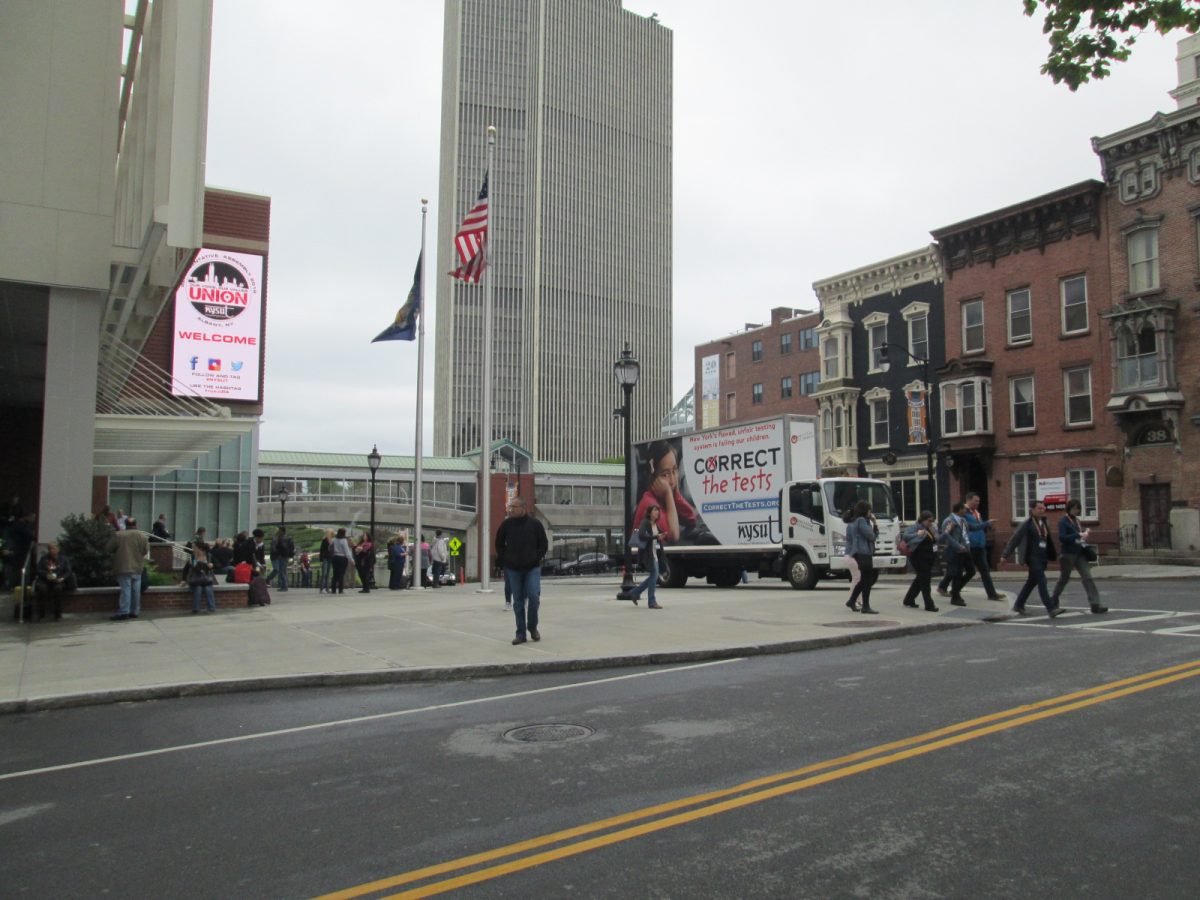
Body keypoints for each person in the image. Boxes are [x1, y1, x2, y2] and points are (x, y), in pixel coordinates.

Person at [495, 496, 548, 645]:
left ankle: (532, 627)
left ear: (523, 508)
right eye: (510, 507)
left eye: (514, 507)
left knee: (533, 597)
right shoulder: (506, 525)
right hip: (513, 569)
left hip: (532, 568)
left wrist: (536, 557)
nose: (511, 509)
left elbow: (543, 544)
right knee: (518, 602)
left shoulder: (535, 524)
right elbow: (499, 544)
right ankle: (520, 633)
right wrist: (506, 558)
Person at [1001, 501, 1062, 618]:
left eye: (1043, 508)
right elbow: (1015, 539)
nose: (1041, 510)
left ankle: (1018, 604)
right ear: (1032, 510)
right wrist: (1005, 555)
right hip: (1032, 557)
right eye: (1039, 508)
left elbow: (1047, 540)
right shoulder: (1027, 524)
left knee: (1032, 582)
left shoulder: (1044, 522)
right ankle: (1051, 608)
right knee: (1042, 581)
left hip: (1042, 556)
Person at [631, 441, 699, 543]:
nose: (672, 479)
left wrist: (674, 492)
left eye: (674, 470)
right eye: (665, 474)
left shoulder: (663, 499)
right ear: (653, 478)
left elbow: (691, 518)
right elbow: (673, 536)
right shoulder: (649, 504)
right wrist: (668, 494)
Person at [1051, 499, 1108, 614]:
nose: (1076, 511)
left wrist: (1084, 535)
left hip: (1079, 552)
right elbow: (1062, 537)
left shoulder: (1077, 521)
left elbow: (1078, 536)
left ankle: (1095, 603)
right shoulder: (1063, 521)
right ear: (1069, 508)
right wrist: (1077, 534)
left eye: (1078, 509)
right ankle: (1053, 601)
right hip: (1068, 553)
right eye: (1074, 508)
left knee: (1088, 577)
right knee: (1064, 579)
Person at [963, 493, 1003, 602]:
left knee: (985, 570)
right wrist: (986, 523)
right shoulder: (964, 513)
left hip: (980, 545)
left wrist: (987, 525)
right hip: (970, 545)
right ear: (968, 500)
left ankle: (992, 594)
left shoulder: (976, 513)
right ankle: (945, 587)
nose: (978, 503)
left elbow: (979, 526)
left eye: (978, 501)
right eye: (975, 501)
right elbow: (972, 528)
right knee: (965, 570)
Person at [107, 517, 149, 620]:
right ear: (136, 524)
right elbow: (145, 551)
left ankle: (124, 611)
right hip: (137, 567)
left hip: (123, 566)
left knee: (126, 589)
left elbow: (109, 548)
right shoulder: (143, 536)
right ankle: (135, 611)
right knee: (136, 590)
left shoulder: (119, 535)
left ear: (125, 525)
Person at [843, 501, 879, 614]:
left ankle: (852, 600)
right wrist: (875, 523)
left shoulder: (852, 522)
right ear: (865, 511)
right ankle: (866, 606)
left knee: (864, 579)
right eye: (869, 510)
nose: (871, 513)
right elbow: (871, 536)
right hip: (864, 552)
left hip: (857, 552)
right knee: (867, 580)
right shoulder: (862, 521)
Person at [900, 511, 940, 612]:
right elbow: (905, 536)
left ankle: (908, 599)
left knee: (920, 579)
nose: (931, 523)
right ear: (923, 519)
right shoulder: (915, 527)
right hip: (918, 557)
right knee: (925, 581)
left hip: (929, 557)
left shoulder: (930, 528)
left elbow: (937, 539)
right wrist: (917, 534)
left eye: (932, 521)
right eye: (929, 521)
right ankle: (929, 604)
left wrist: (939, 532)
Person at [939, 502, 975, 607]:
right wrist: (958, 546)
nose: (966, 511)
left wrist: (986, 524)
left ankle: (954, 591)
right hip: (955, 551)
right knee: (956, 574)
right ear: (959, 510)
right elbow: (946, 536)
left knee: (971, 571)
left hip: (965, 550)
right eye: (964, 509)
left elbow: (969, 530)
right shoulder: (949, 520)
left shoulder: (963, 520)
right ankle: (955, 596)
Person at [629, 503, 664, 609]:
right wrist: (655, 537)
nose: (657, 512)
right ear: (649, 512)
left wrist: (660, 537)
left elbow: (656, 538)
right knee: (654, 576)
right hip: (648, 555)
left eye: (658, 510)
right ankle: (652, 601)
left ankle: (635, 592)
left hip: (655, 554)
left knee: (654, 577)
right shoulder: (645, 522)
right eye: (654, 510)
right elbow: (642, 535)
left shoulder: (656, 525)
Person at [35, 542, 73, 621]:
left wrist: (62, 578)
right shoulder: (44, 558)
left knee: (58, 589)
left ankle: (57, 614)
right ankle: (41, 614)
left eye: (53, 548)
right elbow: (38, 570)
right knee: (42, 589)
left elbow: (68, 571)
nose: (52, 551)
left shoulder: (63, 559)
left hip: (58, 580)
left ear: (58, 549)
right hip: (46, 580)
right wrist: (46, 575)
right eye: (50, 549)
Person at [188, 543, 217, 614]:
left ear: (200, 549)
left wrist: (212, 565)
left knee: (208, 589)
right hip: (196, 579)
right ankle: (196, 609)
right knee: (198, 589)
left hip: (206, 578)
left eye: (194, 547)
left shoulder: (208, 556)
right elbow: (187, 569)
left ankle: (211, 608)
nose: (193, 549)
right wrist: (183, 580)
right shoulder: (193, 557)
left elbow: (217, 564)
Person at [329, 527, 354, 594]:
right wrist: (351, 560)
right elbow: (347, 551)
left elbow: (330, 547)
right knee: (341, 574)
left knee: (335, 574)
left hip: (335, 557)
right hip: (342, 558)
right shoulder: (344, 540)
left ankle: (333, 589)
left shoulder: (334, 539)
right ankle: (340, 589)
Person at [269, 526, 294, 592]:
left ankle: (284, 586)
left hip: (282, 556)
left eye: (279, 530)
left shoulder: (281, 538)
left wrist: (278, 553)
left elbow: (279, 548)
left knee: (282, 571)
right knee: (284, 571)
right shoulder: (289, 538)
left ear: (282, 531)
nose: (278, 532)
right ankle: (284, 586)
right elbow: (292, 548)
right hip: (286, 556)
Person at [317, 529, 334, 593]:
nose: (332, 534)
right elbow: (321, 550)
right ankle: (322, 588)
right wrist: (321, 560)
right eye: (331, 533)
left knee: (328, 574)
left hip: (330, 558)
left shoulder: (332, 541)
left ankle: (327, 588)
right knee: (324, 573)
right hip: (325, 558)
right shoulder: (324, 540)